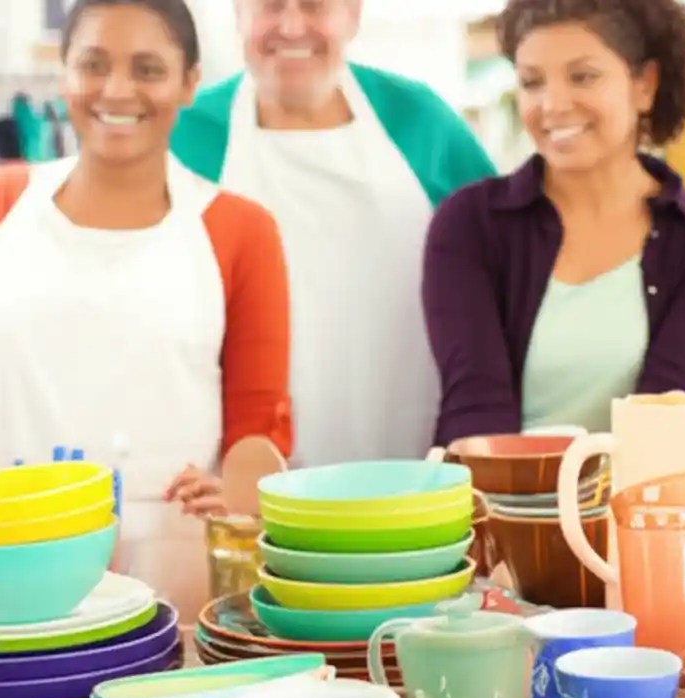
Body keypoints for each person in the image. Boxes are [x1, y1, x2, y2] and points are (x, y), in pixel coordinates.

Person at [0, 0, 291, 621]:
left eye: (148, 69)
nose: (117, 90)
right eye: (94, 64)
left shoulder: (239, 230)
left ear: (189, 83)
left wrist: (246, 499)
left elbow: (260, 417)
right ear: (63, 73)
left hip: (173, 586)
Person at [168, 0, 497, 473]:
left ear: (354, 14)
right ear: (238, 14)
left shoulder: (419, 121)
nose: (292, 25)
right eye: (270, 6)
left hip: (415, 470)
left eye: (315, 5)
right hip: (244, 487)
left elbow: (505, 257)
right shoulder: (187, 134)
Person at [422, 0, 685, 444]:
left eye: (583, 76)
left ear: (645, 85)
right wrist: (514, 512)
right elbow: (475, 409)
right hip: (496, 501)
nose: (552, 105)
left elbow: (666, 420)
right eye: (531, 82)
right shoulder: (468, 225)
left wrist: (590, 513)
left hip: (640, 505)